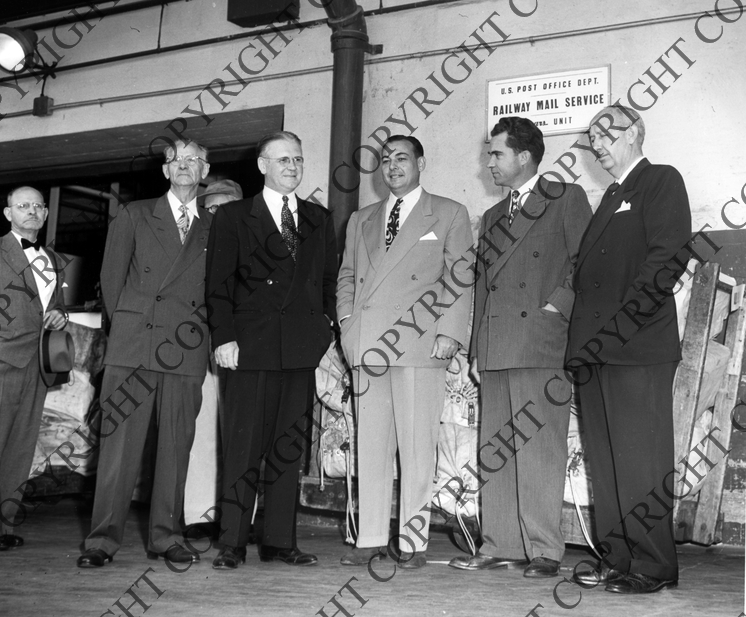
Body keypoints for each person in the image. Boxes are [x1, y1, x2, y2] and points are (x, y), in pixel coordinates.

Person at [450, 117, 592, 578]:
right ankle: (501, 544)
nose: (488, 162)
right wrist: (475, 349)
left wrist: (556, 308)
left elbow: (584, 262)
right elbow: (483, 289)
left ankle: (545, 550)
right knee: (497, 447)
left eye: (496, 153)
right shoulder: (491, 216)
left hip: (541, 341)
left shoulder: (565, 197)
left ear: (524, 156)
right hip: (494, 345)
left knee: (538, 448)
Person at [567, 105, 692, 594]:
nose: (598, 142)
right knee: (605, 461)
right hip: (596, 353)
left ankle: (654, 565)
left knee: (641, 460)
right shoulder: (610, 196)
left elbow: (667, 259)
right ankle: (618, 558)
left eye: (607, 132)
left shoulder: (660, 180)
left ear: (636, 132)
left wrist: (618, 330)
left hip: (635, 347)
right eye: (592, 136)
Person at [337, 135, 473, 569]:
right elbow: (346, 275)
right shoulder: (362, 218)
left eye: (401, 158)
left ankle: (413, 543)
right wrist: (347, 323)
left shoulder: (449, 212)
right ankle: (372, 538)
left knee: (416, 448)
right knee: (371, 445)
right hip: (369, 342)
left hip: (419, 341)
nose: (392, 166)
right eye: (385, 159)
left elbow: (459, 277)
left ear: (421, 162)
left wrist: (450, 333)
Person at [77, 140, 213, 568]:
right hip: (135, 346)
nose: (185, 166)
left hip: (186, 349)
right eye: (177, 159)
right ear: (165, 170)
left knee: (176, 448)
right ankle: (101, 540)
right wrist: (131, 331)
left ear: (204, 170)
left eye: (194, 160)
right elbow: (111, 279)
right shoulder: (134, 215)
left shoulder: (214, 224)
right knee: (118, 450)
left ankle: (167, 536)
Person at [206, 131, 337, 570]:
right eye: (283, 160)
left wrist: (323, 328)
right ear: (262, 165)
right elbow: (218, 286)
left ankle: (280, 541)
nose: (292, 167)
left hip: (299, 349)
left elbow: (327, 282)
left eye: (298, 160)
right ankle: (232, 542)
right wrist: (223, 338)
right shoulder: (233, 216)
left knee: (288, 448)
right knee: (243, 448)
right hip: (249, 347)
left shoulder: (319, 218)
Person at [0, 186, 68, 550]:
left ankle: (3, 523)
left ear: (44, 214)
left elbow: (52, 306)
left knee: (20, 448)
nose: (32, 211)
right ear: (8, 213)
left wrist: (60, 314)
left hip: (35, 365)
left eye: (38, 206)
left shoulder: (53, 258)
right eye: (22, 206)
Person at [183, 178, 243, 539]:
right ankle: (200, 514)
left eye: (226, 207)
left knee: (239, 434)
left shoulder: (255, 245)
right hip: (196, 347)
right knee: (201, 430)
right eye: (211, 208)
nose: (218, 215)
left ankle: (238, 519)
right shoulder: (191, 246)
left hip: (240, 348)